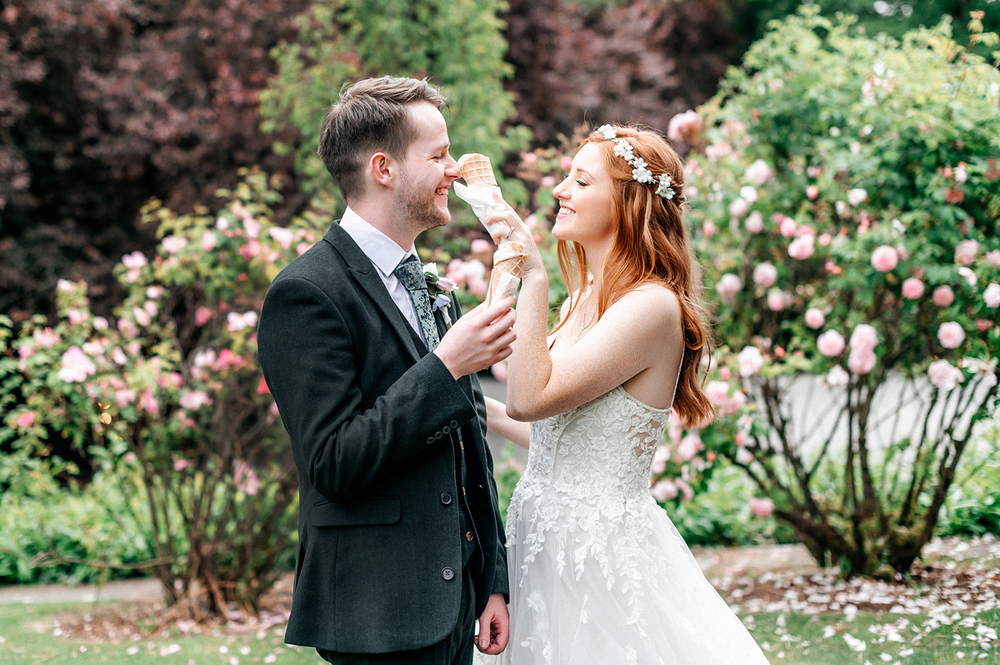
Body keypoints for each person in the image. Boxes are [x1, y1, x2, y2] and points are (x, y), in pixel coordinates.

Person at [481, 125, 770, 664]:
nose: (560, 191)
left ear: (628, 202)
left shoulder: (649, 307)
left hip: (599, 555)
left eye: (580, 181)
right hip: (541, 537)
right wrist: (479, 411)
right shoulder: (586, 297)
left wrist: (533, 279)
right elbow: (560, 437)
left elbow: (529, 397)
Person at [257, 76, 513, 665]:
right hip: (379, 614)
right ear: (384, 168)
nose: (454, 169)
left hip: (457, 603)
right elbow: (334, 463)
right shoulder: (305, 293)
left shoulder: (429, 285)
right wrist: (445, 366)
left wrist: (491, 576)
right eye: (439, 154)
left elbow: (469, 444)